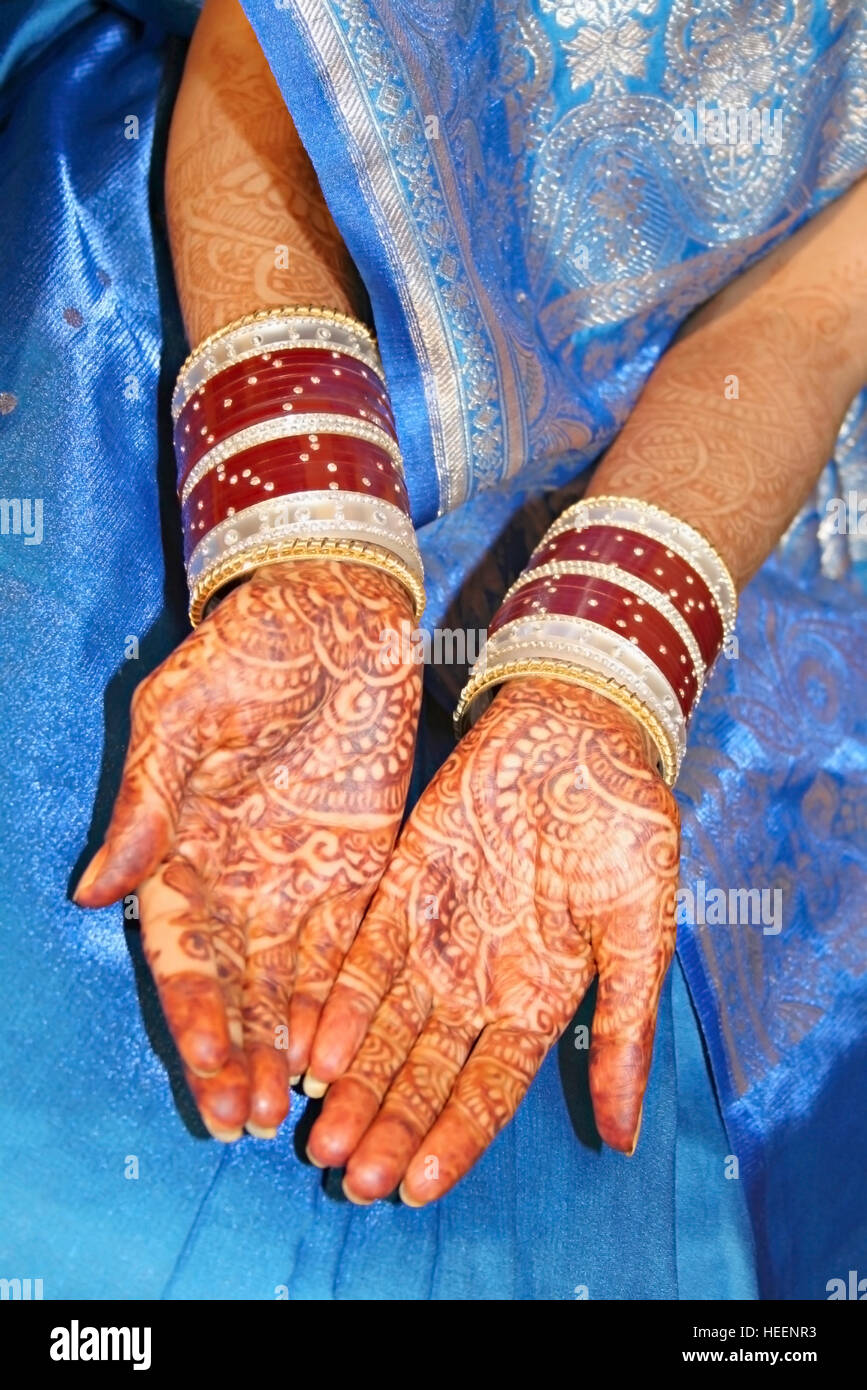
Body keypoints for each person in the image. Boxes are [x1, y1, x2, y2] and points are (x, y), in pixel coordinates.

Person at [3, 0, 865, 1299]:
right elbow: (265, 52)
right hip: (249, 268)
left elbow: (823, 304)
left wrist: (610, 654)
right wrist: (301, 533)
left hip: (747, 486)